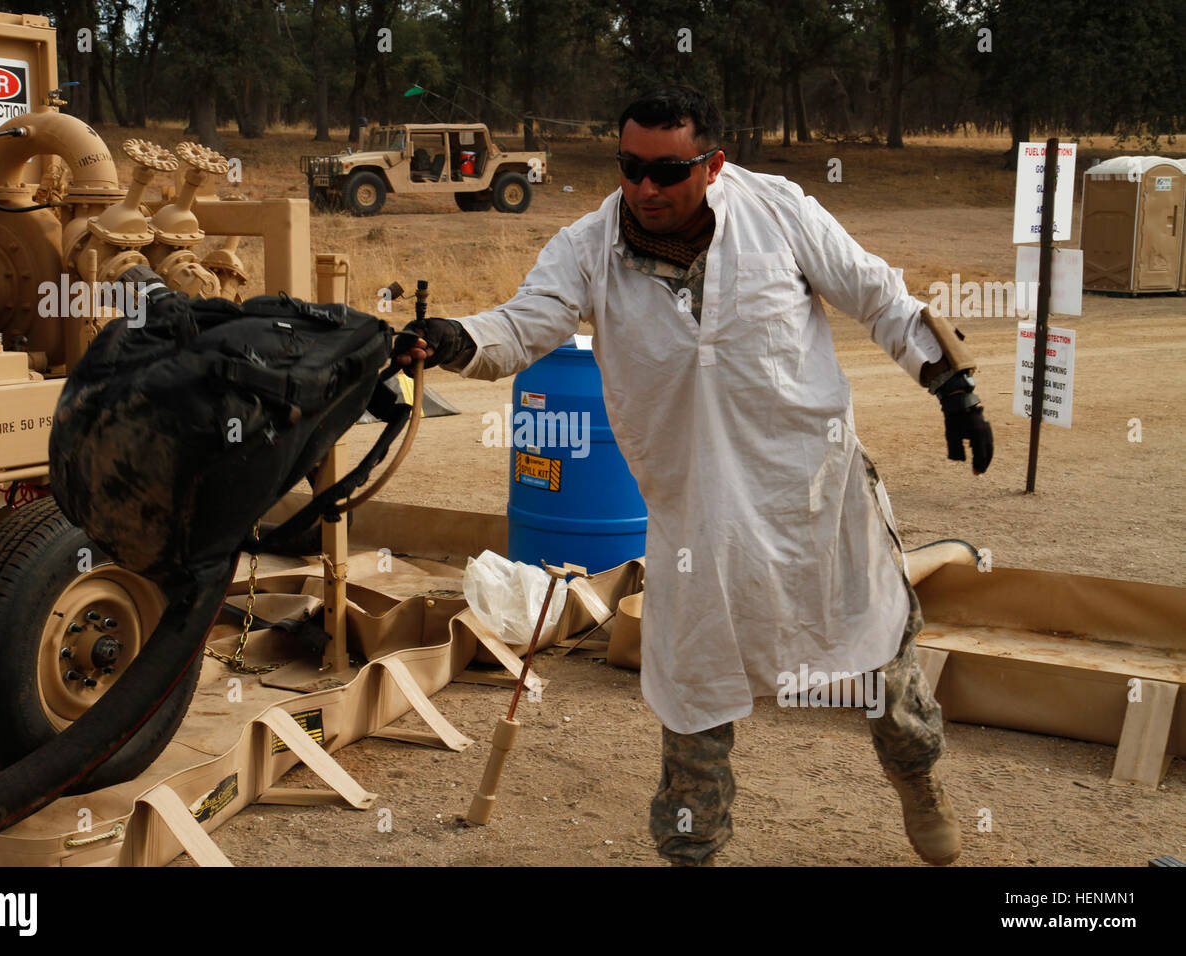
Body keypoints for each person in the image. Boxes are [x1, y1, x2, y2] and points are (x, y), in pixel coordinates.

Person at [392, 86, 992, 866]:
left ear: (712, 164)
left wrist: (954, 384)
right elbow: (522, 324)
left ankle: (919, 783)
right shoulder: (586, 248)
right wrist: (452, 337)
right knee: (693, 706)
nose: (644, 188)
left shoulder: (779, 212)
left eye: (666, 171)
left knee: (884, 667)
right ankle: (693, 852)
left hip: (817, 502)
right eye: (629, 168)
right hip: (696, 525)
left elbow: (879, 296)